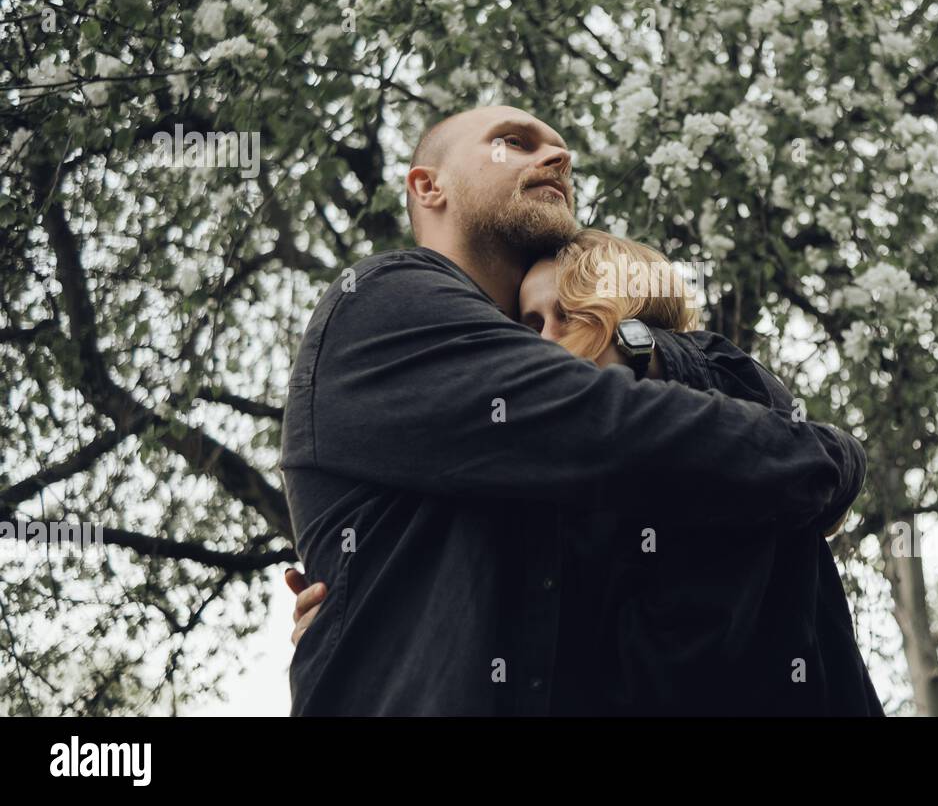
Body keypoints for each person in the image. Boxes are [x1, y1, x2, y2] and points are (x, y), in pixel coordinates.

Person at [280, 104, 873, 715]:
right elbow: (612, 422)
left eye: (562, 149)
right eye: (514, 141)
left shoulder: (560, 477)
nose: (558, 158)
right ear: (428, 185)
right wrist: (828, 457)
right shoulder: (384, 301)